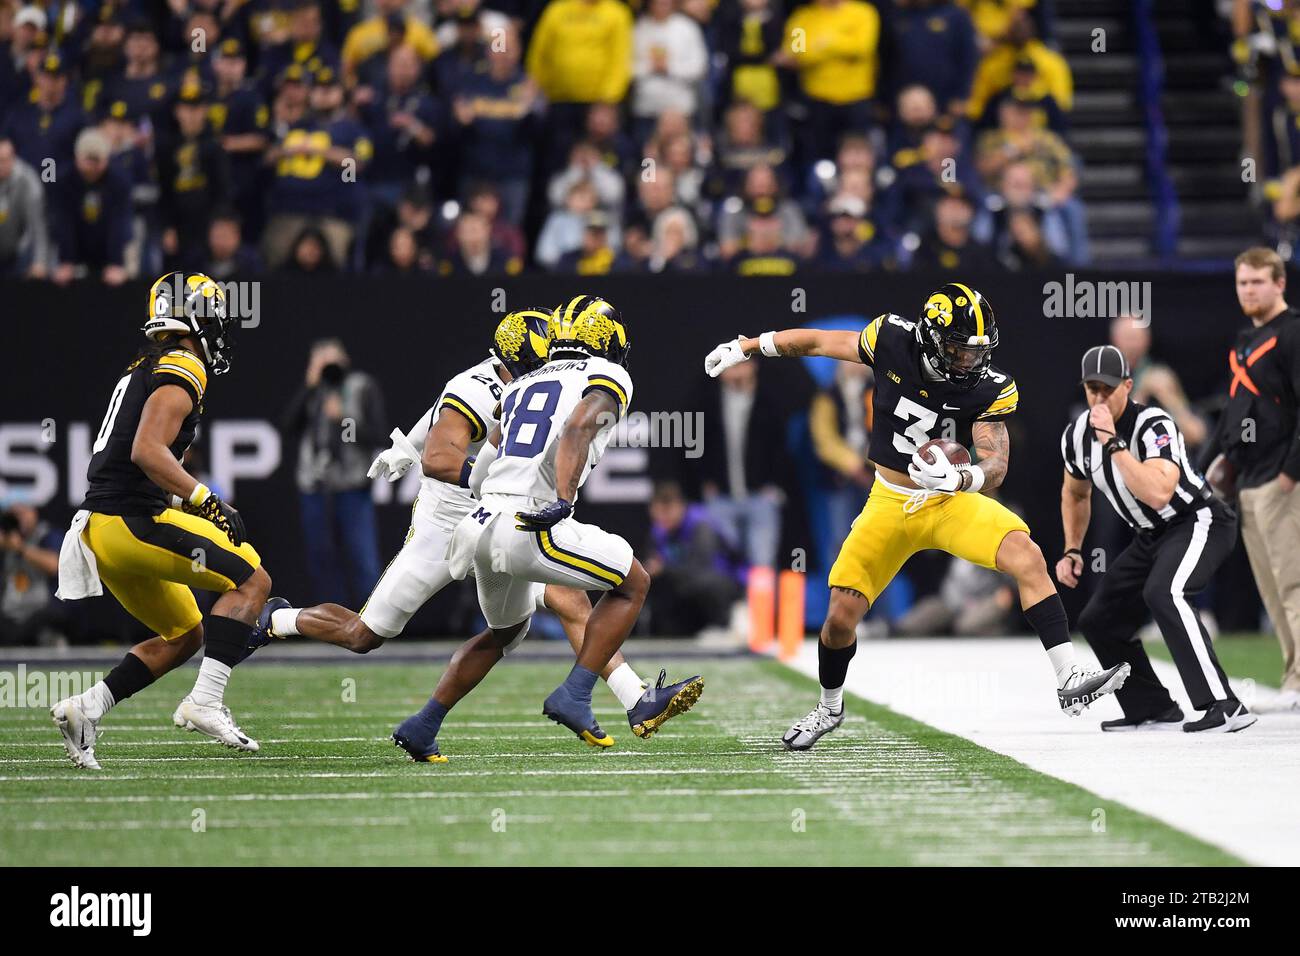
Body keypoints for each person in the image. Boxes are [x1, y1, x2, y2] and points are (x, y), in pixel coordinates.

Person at [704, 283, 1130, 751]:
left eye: (977, 352)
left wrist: (961, 479)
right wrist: (749, 345)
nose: (972, 362)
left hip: (947, 500)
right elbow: (820, 341)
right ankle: (829, 705)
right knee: (840, 619)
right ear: (930, 339)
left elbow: (997, 462)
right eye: (960, 351)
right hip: (888, 500)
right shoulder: (891, 340)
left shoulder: (990, 386)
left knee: (1025, 554)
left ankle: (1069, 676)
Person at [404, 295, 703, 754]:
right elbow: (577, 429)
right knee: (633, 583)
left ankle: (423, 724)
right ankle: (576, 693)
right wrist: (562, 500)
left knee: (505, 631)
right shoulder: (608, 374)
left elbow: (485, 465)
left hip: (479, 524)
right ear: (609, 339)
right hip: (528, 521)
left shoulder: (524, 383)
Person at [51, 273, 274, 769]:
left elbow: (127, 463)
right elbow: (146, 450)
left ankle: (86, 709)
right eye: (213, 313)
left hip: (105, 529)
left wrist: (180, 503)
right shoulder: (184, 366)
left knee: (187, 633)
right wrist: (206, 498)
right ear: (193, 315)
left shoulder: (144, 367)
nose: (219, 325)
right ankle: (206, 702)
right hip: (129, 523)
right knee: (252, 579)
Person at [1059, 346, 1253, 732]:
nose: (1098, 398)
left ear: (1127, 386)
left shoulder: (1154, 425)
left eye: (1107, 389)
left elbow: (1159, 493)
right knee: (1098, 619)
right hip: (1149, 535)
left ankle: (1225, 704)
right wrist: (1073, 548)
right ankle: (1151, 705)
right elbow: (1075, 493)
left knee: (1165, 592)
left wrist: (1114, 445)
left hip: (1197, 520)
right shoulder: (1076, 436)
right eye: (1091, 389)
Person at [1203, 247, 1300, 707]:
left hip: (1282, 480)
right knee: (1271, 588)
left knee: (1294, 583)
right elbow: (1234, 412)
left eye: (1258, 282)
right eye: (1243, 282)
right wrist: (1209, 464)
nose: (1249, 290)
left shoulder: (1293, 333)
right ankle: (1294, 675)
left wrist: (1290, 474)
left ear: (1280, 284)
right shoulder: (1244, 340)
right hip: (1249, 480)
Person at [281, 339, 387, 606]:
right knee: (321, 555)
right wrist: (309, 386)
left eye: (332, 359)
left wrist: (344, 419)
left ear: (345, 360)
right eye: (321, 360)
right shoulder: (313, 392)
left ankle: (371, 621)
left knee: (361, 554)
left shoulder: (361, 387)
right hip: (315, 486)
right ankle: (330, 621)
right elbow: (287, 425)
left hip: (352, 485)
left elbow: (378, 436)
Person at [643, 481, 742, 635]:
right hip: (684, 582)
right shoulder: (659, 530)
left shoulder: (701, 525)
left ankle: (724, 627)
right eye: (657, 512)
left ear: (680, 507)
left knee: (701, 583)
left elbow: (700, 567)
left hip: (724, 580)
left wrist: (664, 568)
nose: (662, 518)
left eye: (666, 511)